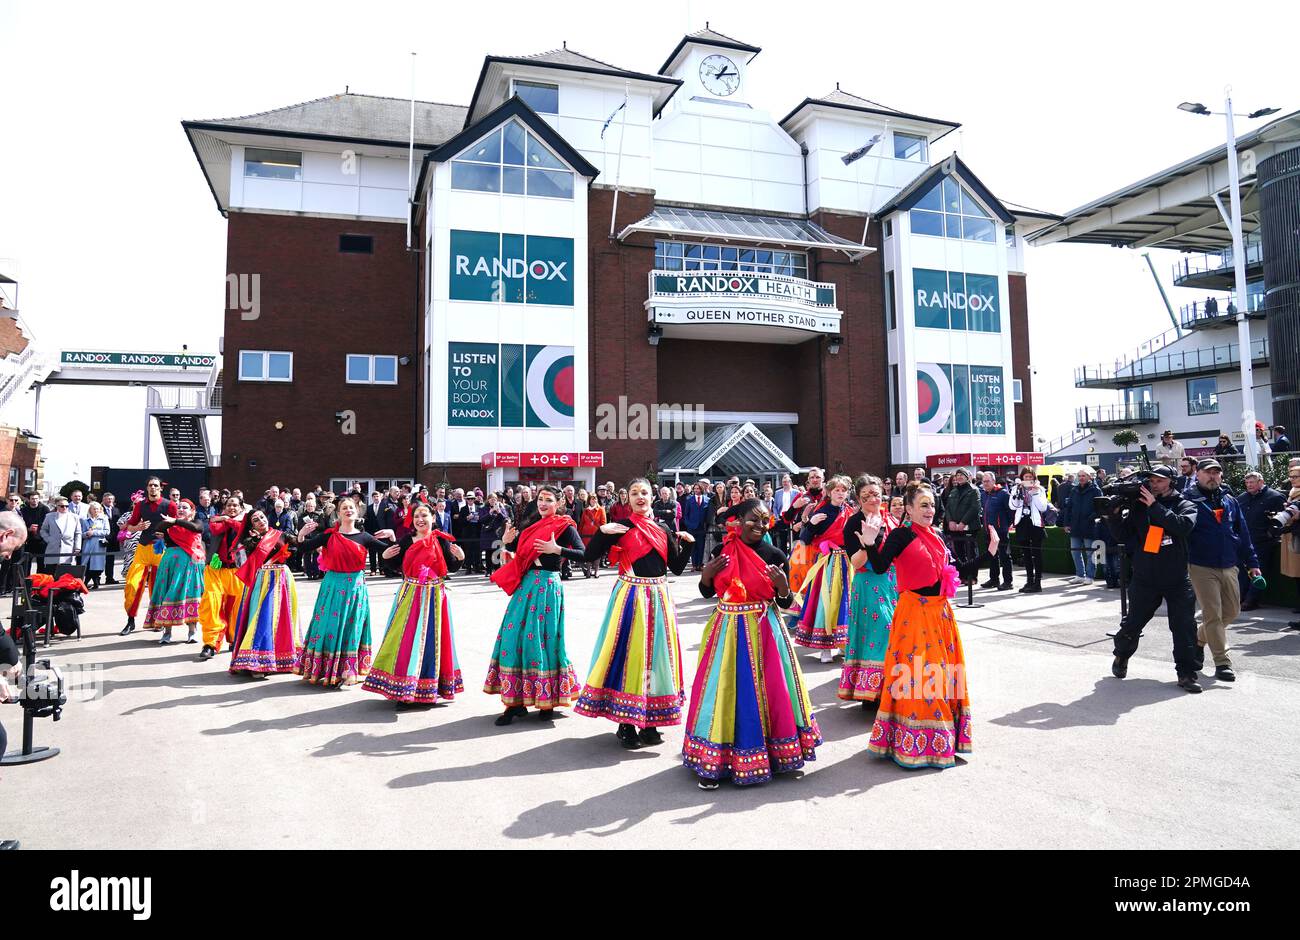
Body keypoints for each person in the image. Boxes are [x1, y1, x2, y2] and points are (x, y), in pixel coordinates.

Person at [685, 499, 820, 788]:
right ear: (738, 520)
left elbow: (785, 601)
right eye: (753, 519)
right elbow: (707, 592)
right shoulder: (724, 551)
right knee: (724, 690)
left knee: (771, 689)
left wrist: (783, 587)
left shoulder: (774, 554)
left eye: (765, 520)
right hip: (728, 629)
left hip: (764, 629)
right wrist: (707, 575)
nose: (760, 525)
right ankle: (716, 758)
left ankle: (774, 754)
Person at [862, 481, 974, 769]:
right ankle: (914, 741)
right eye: (923, 505)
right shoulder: (901, 535)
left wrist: (992, 551)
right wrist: (871, 542)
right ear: (909, 508)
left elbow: (957, 571)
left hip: (941, 615)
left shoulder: (937, 535)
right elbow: (880, 566)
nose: (930, 510)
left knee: (941, 674)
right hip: (914, 614)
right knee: (919, 676)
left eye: (932, 505)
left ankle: (943, 738)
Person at [576, 478, 693, 748]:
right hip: (631, 598)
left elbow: (674, 568)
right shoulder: (619, 528)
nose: (640, 497)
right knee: (632, 658)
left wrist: (688, 544)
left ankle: (650, 721)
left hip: (659, 598)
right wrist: (603, 532)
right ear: (626, 498)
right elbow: (587, 555)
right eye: (634, 493)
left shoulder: (663, 528)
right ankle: (626, 724)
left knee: (657, 659)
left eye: (644, 492)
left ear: (653, 497)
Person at [484, 486, 586, 725]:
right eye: (540, 499)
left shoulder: (565, 525)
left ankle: (547, 700)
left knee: (543, 641)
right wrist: (507, 543)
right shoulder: (530, 526)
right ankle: (514, 702)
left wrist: (557, 550)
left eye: (548, 500)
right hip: (526, 586)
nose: (542, 503)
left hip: (548, 588)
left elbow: (584, 553)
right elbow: (518, 556)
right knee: (513, 637)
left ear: (559, 502)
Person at [1108, 465, 1203, 693]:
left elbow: (1182, 527)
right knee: (1133, 623)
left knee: (1184, 626)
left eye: (1160, 480)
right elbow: (1123, 535)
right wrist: (1111, 515)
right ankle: (1121, 655)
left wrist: (1155, 506)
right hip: (1145, 577)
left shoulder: (1185, 503)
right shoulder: (1138, 507)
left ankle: (1187, 674)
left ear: (1171, 481)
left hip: (1176, 577)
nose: (1154, 484)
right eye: (1152, 480)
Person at [363, 503, 466, 704]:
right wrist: (385, 557)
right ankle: (404, 688)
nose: (420, 519)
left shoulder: (441, 541)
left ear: (433, 518)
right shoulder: (406, 540)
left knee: (432, 641)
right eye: (417, 516)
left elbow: (451, 567)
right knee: (406, 640)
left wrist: (460, 558)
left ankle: (429, 687)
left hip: (435, 596)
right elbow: (394, 564)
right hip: (411, 596)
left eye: (424, 515)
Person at [294, 497, 393, 687]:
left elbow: (390, 553)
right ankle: (324, 668)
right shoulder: (329, 535)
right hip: (332, 587)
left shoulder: (364, 537)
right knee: (328, 626)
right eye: (344, 508)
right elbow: (304, 548)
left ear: (357, 512)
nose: (348, 510)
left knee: (352, 628)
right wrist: (302, 534)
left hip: (355, 589)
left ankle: (347, 670)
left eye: (351, 507)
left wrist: (392, 536)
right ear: (338, 513)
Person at [1184, 458, 1260, 682]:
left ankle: (1199, 639)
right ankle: (1222, 662)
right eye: (1208, 473)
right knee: (1213, 614)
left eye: (1217, 473)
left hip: (1229, 565)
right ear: (1197, 474)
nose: (1213, 476)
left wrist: (1253, 563)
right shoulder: (1188, 500)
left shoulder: (1230, 500)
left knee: (1232, 612)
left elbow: (1243, 534)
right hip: (1200, 565)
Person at [837, 475, 899, 704]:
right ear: (859, 500)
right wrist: (866, 543)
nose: (873, 499)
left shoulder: (890, 519)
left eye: (876, 494)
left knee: (895, 633)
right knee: (881, 630)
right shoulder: (853, 523)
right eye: (867, 496)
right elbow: (855, 562)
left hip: (893, 582)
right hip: (869, 583)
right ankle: (871, 692)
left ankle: (890, 690)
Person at [229, 510, 301, 676]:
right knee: (262, 617)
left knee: (283, 618)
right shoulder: (249, 541)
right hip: (262, 581)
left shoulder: (280, 534)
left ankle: (283, 659)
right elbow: (244, 553)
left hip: (282, 579)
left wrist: (303, 534)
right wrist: (254, 539)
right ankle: (256, 661)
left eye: (262, 517)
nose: (260, 520)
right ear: (251, 525)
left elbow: (299, 543)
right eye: (255, 520)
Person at [790, 473, 853, 662]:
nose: (840, 493)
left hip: (846, 563)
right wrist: (811, 524)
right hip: (826, 563)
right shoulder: (821, 511)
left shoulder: (850, 512)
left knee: (845, 603)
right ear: (829, 492)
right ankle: (824, 647)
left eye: (844, 490)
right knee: (824, 603)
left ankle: (842, 644)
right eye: (837, 490)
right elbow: (805, 540)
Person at [142, 499, 208, 645]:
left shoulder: (197, 521)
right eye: (179, 507)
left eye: (185, 507)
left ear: (192, 511)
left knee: (190, 593)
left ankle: (192, 632)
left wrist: (175, 521)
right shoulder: (170, 525)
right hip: (170, 564)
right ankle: (167, 633)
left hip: (190, 564)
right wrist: (171, 522)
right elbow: (158, 528)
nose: (181, 509)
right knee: (169, 592)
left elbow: (197, 528)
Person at [119, 478, 178, 635]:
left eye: (156, 486)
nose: (153, 488)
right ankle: (130, 621)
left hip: (161, 549)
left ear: (160, 489)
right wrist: (137, 527)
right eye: (150, 485)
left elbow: (177, 526)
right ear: (147, 488)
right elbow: (128, 526)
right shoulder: (140, 505)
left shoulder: (170, 505)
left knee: (159, 588)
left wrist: (165, 534)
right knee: (132, 584)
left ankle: (159, 620)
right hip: (143, 548)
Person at [198, 496, 248, 661]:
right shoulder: (216, 520)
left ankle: (235, 639)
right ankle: (210, 644)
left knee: (236, 608)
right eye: (229, 505)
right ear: (224, 507)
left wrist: (227, 519)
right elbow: (215, 529)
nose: (232, 507)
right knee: (211, 604)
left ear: (241, 507)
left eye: (235, 505)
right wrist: (226, 519)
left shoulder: (245, 520)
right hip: (215, 570)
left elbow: (242, 529)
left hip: (238, 570)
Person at [1237, 470, 1286, 611]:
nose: (1249, 485)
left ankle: (1251, 600)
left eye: (1252, 482)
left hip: (1263, 542)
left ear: (1261, 482)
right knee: (1242, 571)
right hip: (1244, 541)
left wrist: (1271, 534)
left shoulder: (1275, 497)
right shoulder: (1242, 497)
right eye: (1247, 482)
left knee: (1258, 571)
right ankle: (1241, 597)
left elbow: (1283, 520)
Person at [783, 467, 826, 596]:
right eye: (812, 477)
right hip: (804, 544)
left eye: (817, 477)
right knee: (800, 579)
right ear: (808, 480)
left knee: (822, 581)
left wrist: (803, 522)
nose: (815, 480)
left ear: (823, 479)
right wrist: (796, 506)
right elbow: (786, 519)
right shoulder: (802, 496)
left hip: (824, 544)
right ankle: (802, 612)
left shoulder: (828, 495)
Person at [1008, 467, 1050, 593]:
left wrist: (1035, 492)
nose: (1027, 480)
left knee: (1036, 554)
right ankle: (1029, 581)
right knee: (1025, 555)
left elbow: (1043, 507)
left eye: (1030, 477)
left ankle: (1037, 582)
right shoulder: (1016, 489)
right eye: (1025, 477)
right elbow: (1012, 505)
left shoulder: (1040, 489)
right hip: (1022, 523)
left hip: (1035, 524)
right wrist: (1018, 492)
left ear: (1034, 478)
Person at [1062, 468, 1103, 586]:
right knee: (1075, 552)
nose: (1081, 478)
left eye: (1083, 475)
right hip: (1075, 526)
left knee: (1090, 553)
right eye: (1079, 476)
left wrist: (1091, 518)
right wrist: (1066, 523)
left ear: (1089, 477)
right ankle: (1080, 575)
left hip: (1089, 526)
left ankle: (1090, 576)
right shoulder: (1074, 490)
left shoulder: (1096, 490)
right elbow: (1068, 508)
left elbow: (1100, 508)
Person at [979, 472, 1014, 591]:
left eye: (988, 481)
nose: (985, 484)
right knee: (992, 555)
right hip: (989, 530)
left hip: (1001, 530)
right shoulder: (983, 495)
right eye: (983, 481)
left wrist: (1004, 526)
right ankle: (994, 579)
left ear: (994, 481)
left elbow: (1010, 513)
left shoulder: (1003, 494)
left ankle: (1008, 582)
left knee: (1005, 556)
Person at [39, 497, 82, 573]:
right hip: (53, 548)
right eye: (62, 506)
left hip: (68, 548)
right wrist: (49, 539)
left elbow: (78, 533)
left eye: (66, 506)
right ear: (57, 506)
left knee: (65, 574)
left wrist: (77, 547)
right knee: (51, 573)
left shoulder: (75, 517)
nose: (64, 508)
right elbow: (43, 530)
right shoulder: (49, 516)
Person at [681, 481, 712, 572]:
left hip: (702, 527)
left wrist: (706, 524)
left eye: (698, 489)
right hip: (692, 527)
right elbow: (686, 515)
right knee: (693, 547)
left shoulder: (707, 499)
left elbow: (708, 514)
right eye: (695, 489)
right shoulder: (689, 500)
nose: (696, 490)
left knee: (701, 546)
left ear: (701, 489)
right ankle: (694, 565)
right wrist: (688, 524)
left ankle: (700, 564)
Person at [80, 501, 111, 589]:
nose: (96, 510)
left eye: (97, 508)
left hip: (98, 545)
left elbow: (107, 531)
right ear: (90, 510)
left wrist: (93, 532)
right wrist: (87, 534)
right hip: (88, 545)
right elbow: (81, 534)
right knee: (88, 565)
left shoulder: (104, 518)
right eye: (94, 509)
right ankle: (91, 583)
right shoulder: (85, 520)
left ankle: (90, 583)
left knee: (97, 566)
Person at [576, 493, 606, 579]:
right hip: (586, 535)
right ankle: (588, 571)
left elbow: (603, 523)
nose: (594, 500)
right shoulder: (585, 510)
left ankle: (596, 570)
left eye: (595, 498)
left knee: (597, 552)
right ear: (589, 500)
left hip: (597, 534)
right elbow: (582, 523)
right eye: (592, 499)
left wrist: (603, 534)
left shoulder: (601, 509)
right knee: (588, 552)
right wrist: (579, 534)